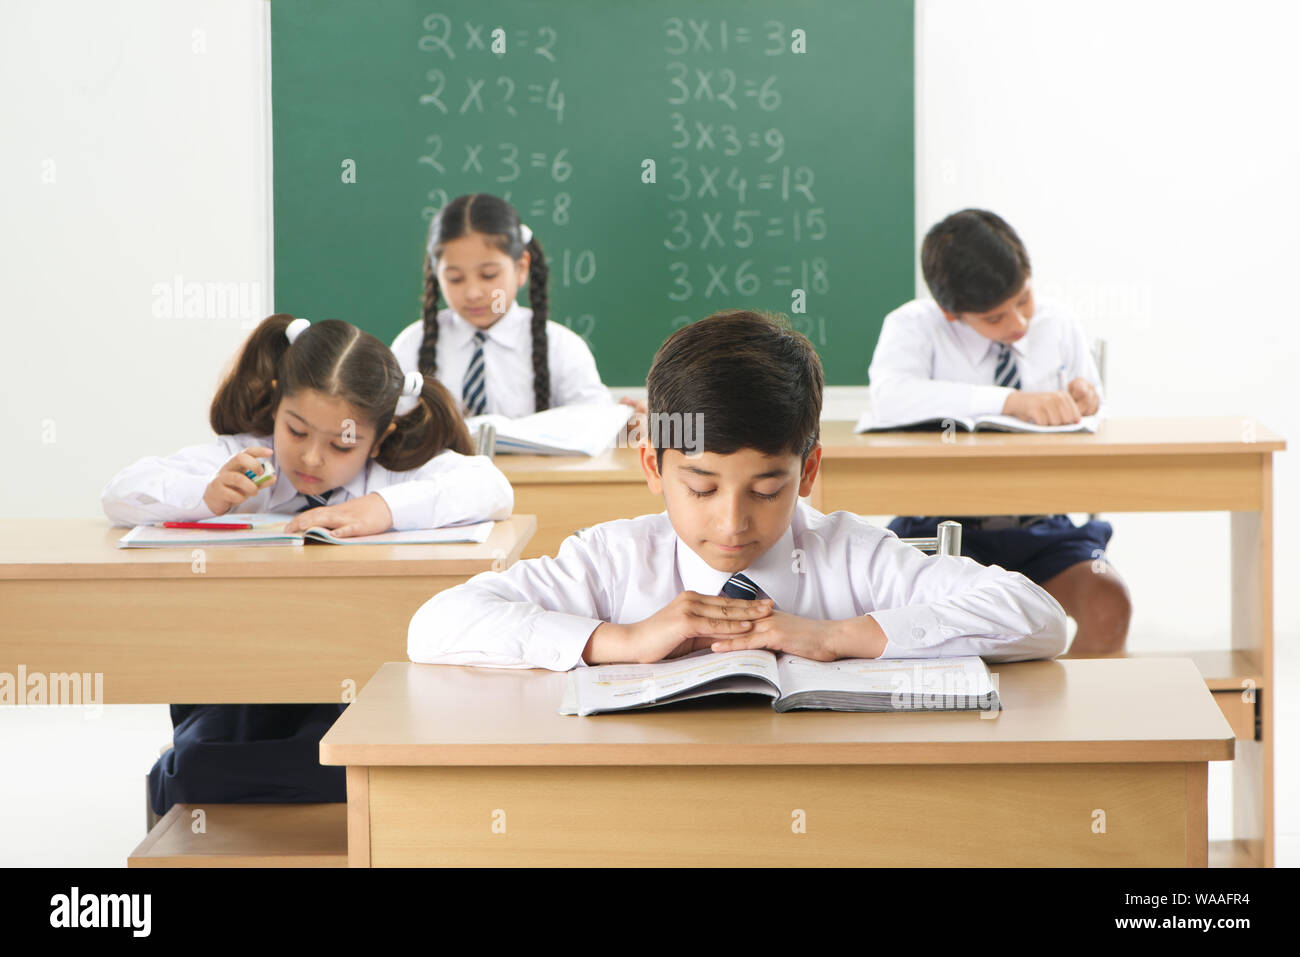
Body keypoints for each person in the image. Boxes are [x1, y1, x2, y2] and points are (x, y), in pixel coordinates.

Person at [408, 310, 1066, 669]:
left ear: (806, 473)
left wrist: (838, 636)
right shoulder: (610, 561)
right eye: (700, 488)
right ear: (652, 466)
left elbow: (1039, 618)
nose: (732, 521)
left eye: (767, 487)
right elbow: (433, 626)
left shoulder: (853, 555)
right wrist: (621, 640)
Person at [103, 313, 513, 813]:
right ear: (276, 404)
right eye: (296, 431)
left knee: (349, 761)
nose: (312, 459)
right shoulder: (243, 459)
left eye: (342, 444)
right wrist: (204, 495)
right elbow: (120, 493)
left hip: (348, 674)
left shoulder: (390, 476)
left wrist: (382, 509)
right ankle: (190, 773)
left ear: (379, 438)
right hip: (242, 678)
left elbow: (491, 487)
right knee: (210, 768)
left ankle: (197, 774)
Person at [869, 208, 1130, 654]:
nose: (1018, 324)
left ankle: (1070, 720)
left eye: (1023, 300)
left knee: (1109, 603)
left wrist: (1088, 397)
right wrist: (1011, 401)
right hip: (942, 528)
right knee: (930, 624)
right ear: (952, 314)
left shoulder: (1058, 323)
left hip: (1041, 527)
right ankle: (969, 712)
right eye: (994, 318)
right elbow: (891, 397)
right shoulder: (914, 327)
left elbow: (1092, 406)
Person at [392, 192, 644, 418]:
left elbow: (594, 424)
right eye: (454, 278)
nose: (473, 293)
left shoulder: (561, 346)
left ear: (521, 268)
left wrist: (624, 424)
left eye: (489, 275)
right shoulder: (411, 344)